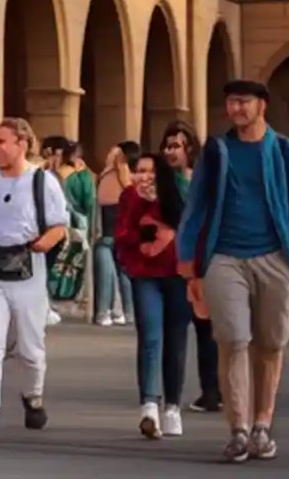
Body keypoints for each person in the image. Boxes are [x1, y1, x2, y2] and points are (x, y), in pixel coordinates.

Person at [177, 80, 289, 463]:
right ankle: (238, 429)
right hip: (225, 257)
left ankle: (261, 427)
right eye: (231, 102)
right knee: (233, 339)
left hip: (274, 257)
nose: (235, 109)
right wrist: (188, 261)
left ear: (261, 105)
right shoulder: (217, 152)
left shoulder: (286, 153)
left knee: (270, 345)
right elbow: (196, 207)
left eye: (243, 102)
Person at [0, 117, 70, 445]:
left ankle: (33, 395)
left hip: (28, 269)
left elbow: (59, 225)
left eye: (3, 141)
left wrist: (43, 243)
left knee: (30, 348)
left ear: (22, 144)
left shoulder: (42, 182)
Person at [115, 152, 189, 439]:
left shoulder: (178, 192)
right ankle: (149, 405)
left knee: (176, 340)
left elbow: (192, 229)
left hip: (177, 275)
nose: (144, 176)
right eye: (139, 171)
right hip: (145, 275)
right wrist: (144, 237)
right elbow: (121, 234)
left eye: (150, 171)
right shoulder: (130, 198)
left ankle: (172, 406)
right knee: (150, 336)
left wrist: (170, 237)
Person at [160, 121, 222, 414]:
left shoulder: (200, 181)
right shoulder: (163, 182)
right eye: (167, 146)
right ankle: (174, 392)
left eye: (176, 146)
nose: (170, 152)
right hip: (173, 266)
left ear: (189, 149)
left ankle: (212, 390)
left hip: (201, 262)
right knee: (177, 331)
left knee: (207, 329)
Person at [94, 141, 138, 326]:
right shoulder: (108, 175)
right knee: (119, 272)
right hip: (112, 230)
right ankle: (125, 312)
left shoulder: (121, 174)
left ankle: (106, 312)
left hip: (111, 231)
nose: (110, 155)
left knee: (112, 272)